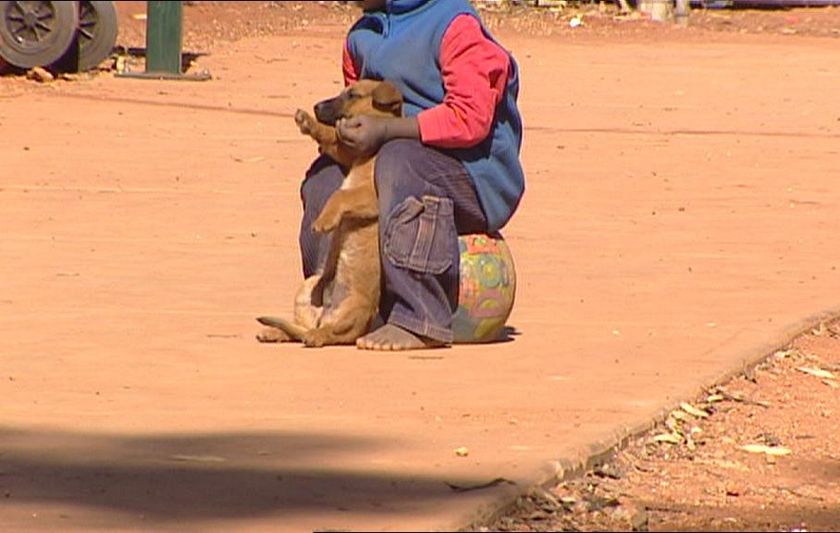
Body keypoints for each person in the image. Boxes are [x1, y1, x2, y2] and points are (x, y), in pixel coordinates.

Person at [300, 0, 525, 351]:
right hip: (389, 165)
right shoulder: (362, 35)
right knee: (325, 178)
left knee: (398, 161)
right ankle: (335, 305)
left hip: (472, 176)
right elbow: (357, 108)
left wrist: (387, 132)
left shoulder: (453, 24)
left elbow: (470, 117)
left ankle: (419, 315)